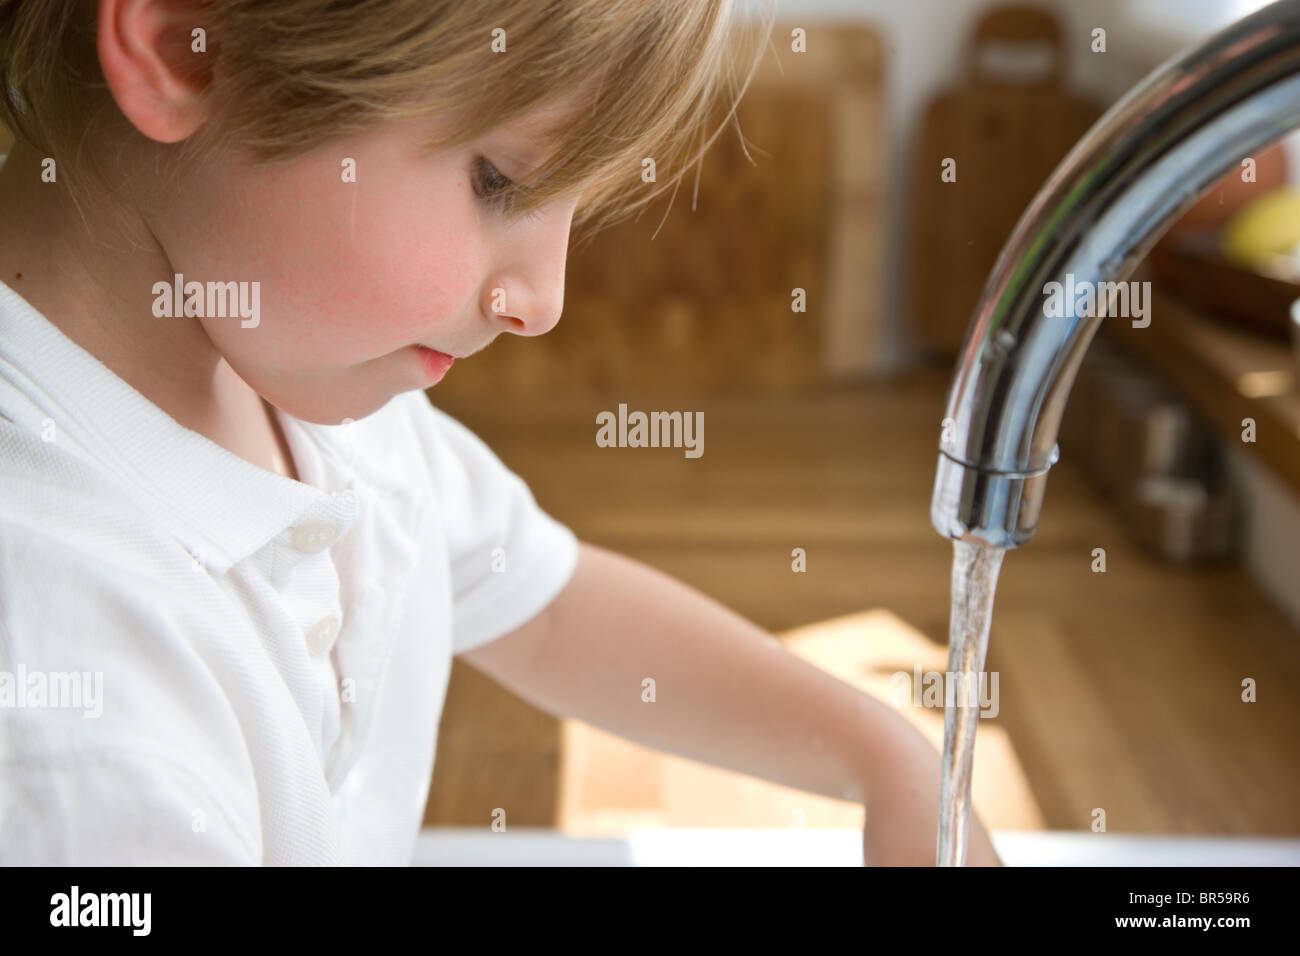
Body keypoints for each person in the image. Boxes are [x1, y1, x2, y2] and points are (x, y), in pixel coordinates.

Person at [0, 0, 1002, 866]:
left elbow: (546, 605)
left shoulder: (303, 391)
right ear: (187, 49)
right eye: (499, 182)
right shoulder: (67, 714)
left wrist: (881, 754)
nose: (544, 300)